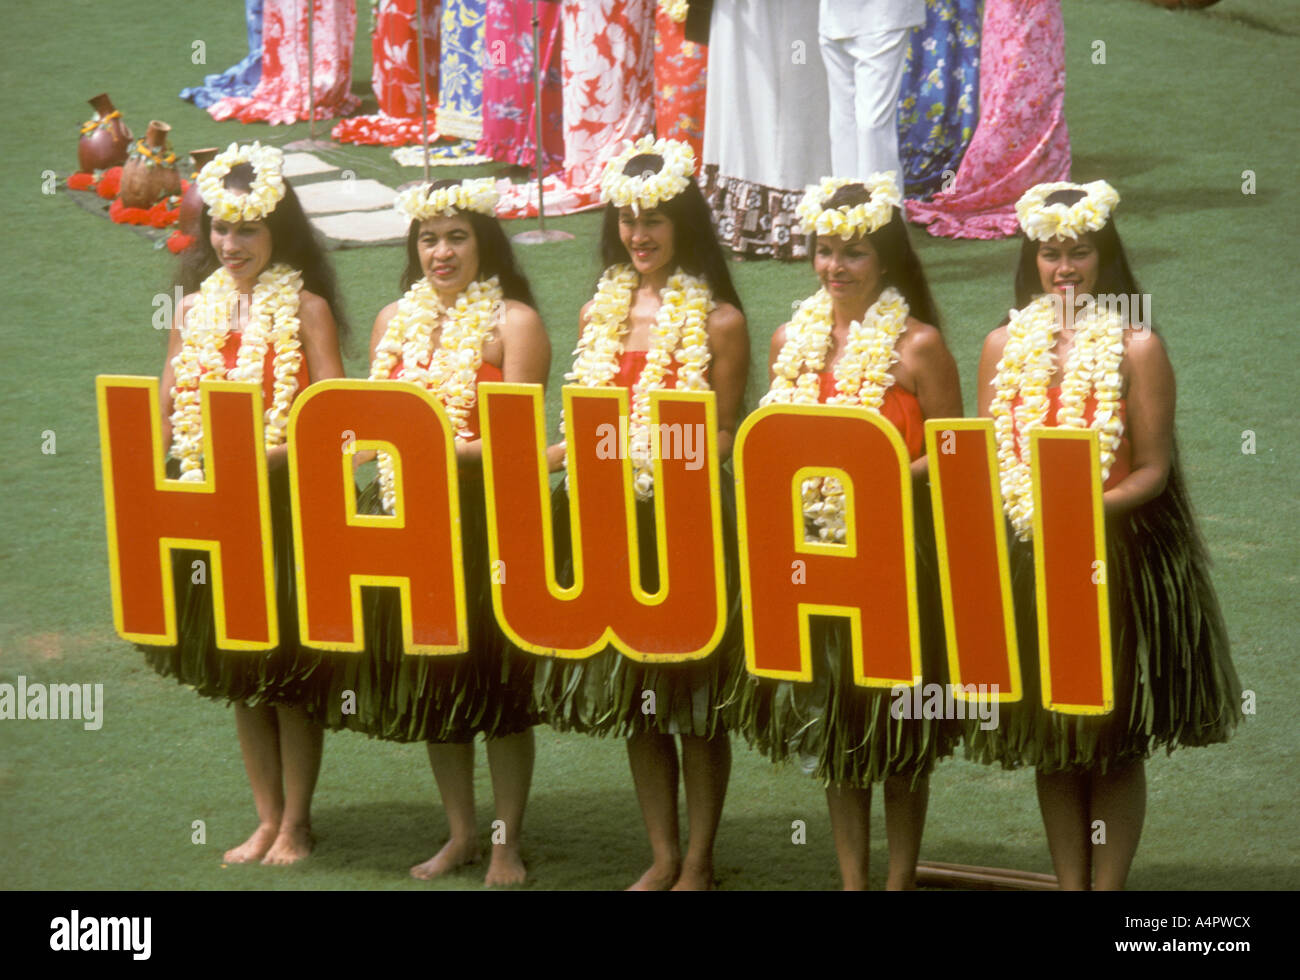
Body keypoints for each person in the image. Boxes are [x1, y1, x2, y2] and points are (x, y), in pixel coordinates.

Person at [971, 180, 1241, 889]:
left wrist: (1088, 507)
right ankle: (1069, 885)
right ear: (1031, 260)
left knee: (1115, 737)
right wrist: (1031, 520)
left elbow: (1152, 469)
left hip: (1114, 562)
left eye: (1079, 253)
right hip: (1031, 563)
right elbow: (992, 463)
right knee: (1054, 735)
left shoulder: (1137, 346)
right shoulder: (1001, 345)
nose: (1064, 269)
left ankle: (1109, 890)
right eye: (1050, 254)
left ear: (1103, 257)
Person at [313, 177, 551, 886]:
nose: (440, 252)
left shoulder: (515, 322)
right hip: (408, 518)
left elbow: (519, 438)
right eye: (427, 238)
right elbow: (374, 423)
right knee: (438, 682)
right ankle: (460, 834)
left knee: (498, 689)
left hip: (487, 522)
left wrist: (428, 445)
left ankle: (506, 843)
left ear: (485, 242)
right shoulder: (393, 319)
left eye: (456, 237)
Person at [732, 173, 963, 890]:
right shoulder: (788, 340)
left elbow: (955, 452)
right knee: (835, 719)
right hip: (814, 556)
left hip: (897, 555)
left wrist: (882, 478)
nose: (835, 267)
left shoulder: (919, 347)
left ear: (887, 260)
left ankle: (898, 880)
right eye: (824, 250)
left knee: (898, 721)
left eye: (853, 253)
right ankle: (853, 881)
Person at [538, 135, 750, 889]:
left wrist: (662, 457)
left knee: (693, 697)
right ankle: (662, 853)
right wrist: (546, 461)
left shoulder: (719, 319)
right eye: (627, 219)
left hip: (687, 514)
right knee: (639, 696)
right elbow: (586, 421)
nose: (639, 233)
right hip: (605, 516)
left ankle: (700, 858)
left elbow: (726, 433)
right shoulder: (603, 309)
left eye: (655, 218)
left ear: (683, 222)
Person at [146, 142, 349, 865]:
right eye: (221, 230)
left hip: (285, 504)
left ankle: (297, 821)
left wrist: (265, 457)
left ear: (278, 234)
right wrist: (190, 463)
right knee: (240, 668)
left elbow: (334, 420)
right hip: (212, 504)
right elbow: (170, 406)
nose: (231, 245)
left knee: (287, 668)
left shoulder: (307, 308)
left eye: (248, 231)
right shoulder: (192, 309)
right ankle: (264, 817)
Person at [819, 0, 926, 184]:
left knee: (872, 125)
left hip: (883, 15)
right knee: (843, 123)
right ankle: (846, 206)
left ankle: (881, 208)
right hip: (833, 17)